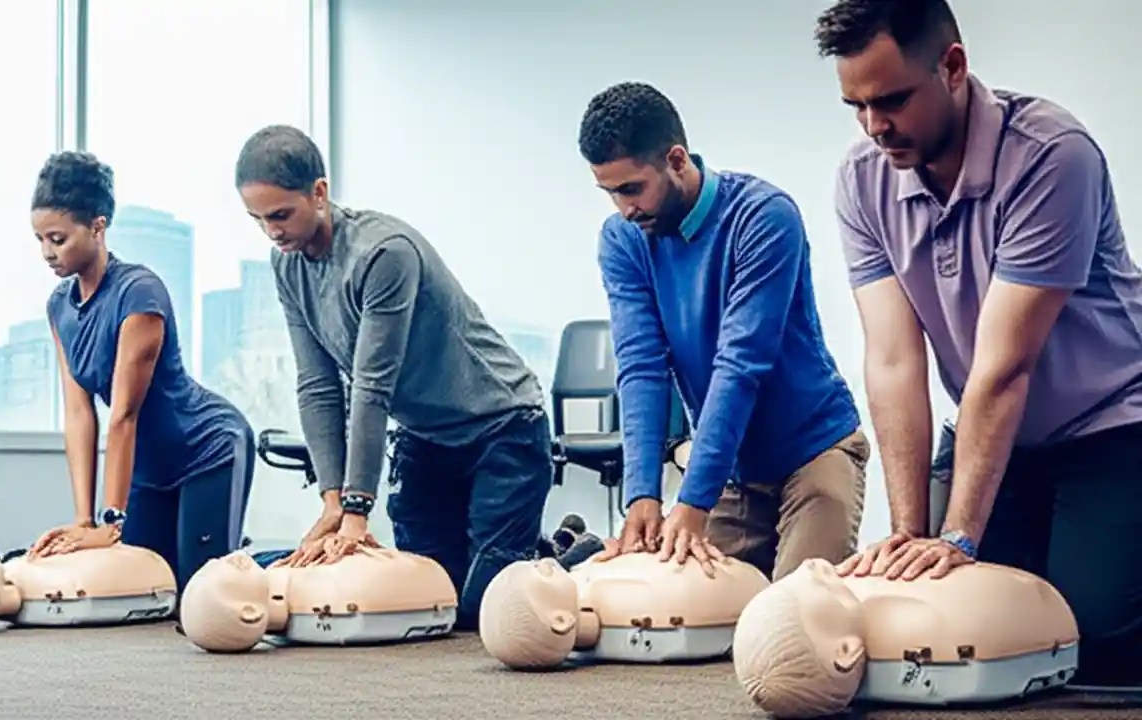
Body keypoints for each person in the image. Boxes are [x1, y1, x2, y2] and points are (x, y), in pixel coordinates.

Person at [816, 0, 1142, 687]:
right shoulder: (860, 179)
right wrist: (913, 531)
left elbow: (1003, 365)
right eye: (857, 107)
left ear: (954, 67)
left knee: (1090, 636)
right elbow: (895, 360)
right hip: (997, 435)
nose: (877, 127)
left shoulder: (1054, 155)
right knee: (947, 617)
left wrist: (959, 534)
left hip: (1111, 426)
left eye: (893, 100)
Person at [233, 124, 554, 630]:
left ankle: (564, 557)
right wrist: (332, 501)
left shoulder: (384, 253)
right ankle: (525, 548)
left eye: (280, 215)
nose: (272, 232)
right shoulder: (287, 265)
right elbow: (317, 384)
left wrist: (359, 507)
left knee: (485, 610)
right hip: (427, 440)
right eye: (257, 220)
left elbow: (371, 384)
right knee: (430, 596)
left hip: (503, 428)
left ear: (319, 193)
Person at [577, 81, 869, 582]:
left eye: (631, 189)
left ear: (675, 159)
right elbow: (642, 367)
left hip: (814, 452)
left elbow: (739, 366)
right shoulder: (623, 239)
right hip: (734, 471)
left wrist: (692, 502)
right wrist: (643, 495)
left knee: (790, 619)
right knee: (685, 601)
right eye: (610, 193)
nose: (623, 208)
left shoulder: (763, 218)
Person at [28, 151, 255, 593]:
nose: (46, 253)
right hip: (147, 469)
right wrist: (84, 521)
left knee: (203, 592)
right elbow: (78, 413)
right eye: (39, 240)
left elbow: (123, 415)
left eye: (57, 239)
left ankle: (266, 564)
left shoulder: (140, 294)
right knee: (143, 586)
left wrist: (111, 521)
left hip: (205, 449)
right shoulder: (59, 306)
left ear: (98, 226)